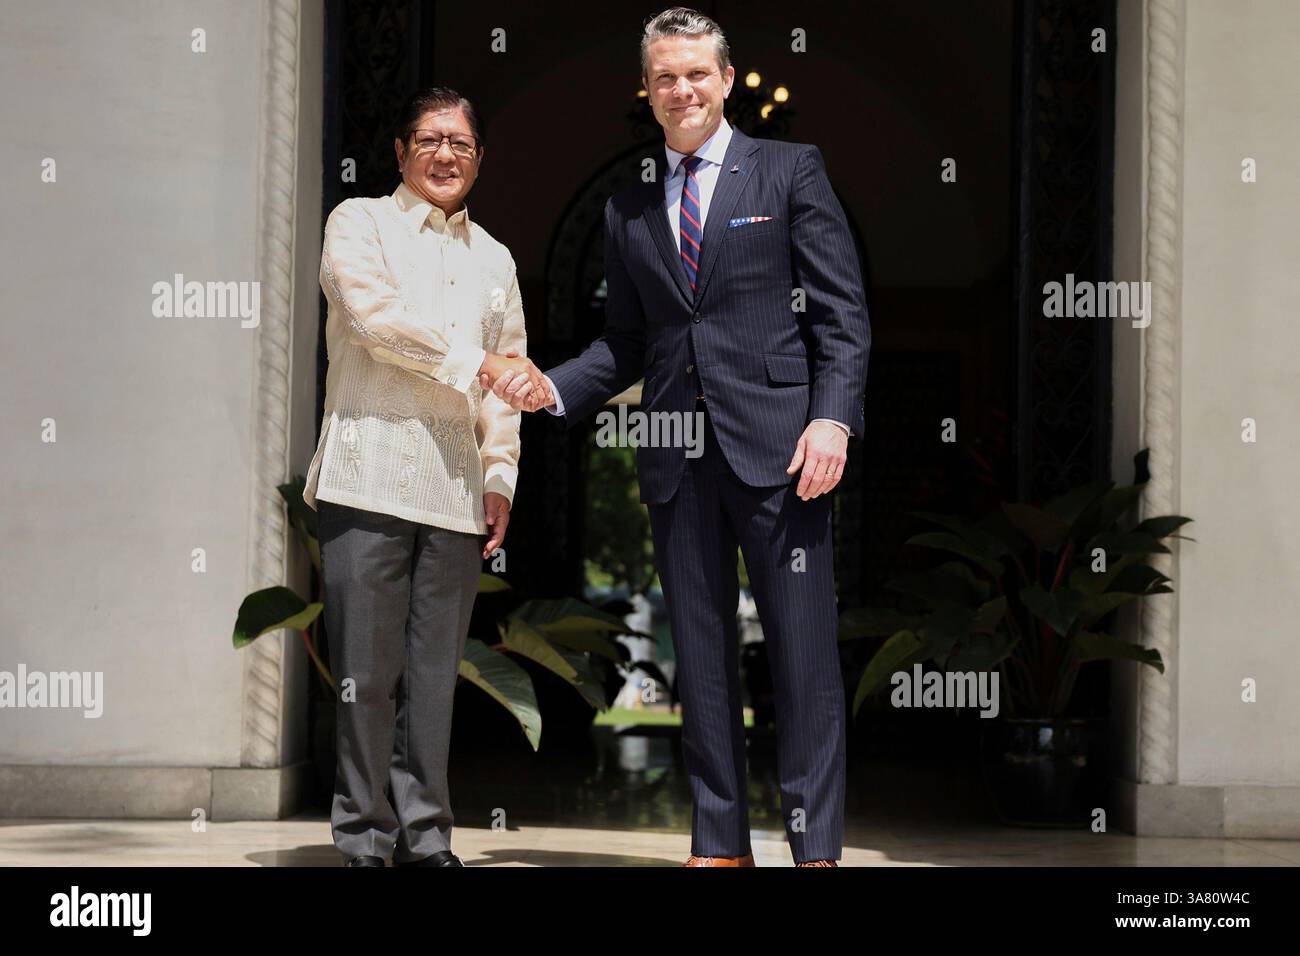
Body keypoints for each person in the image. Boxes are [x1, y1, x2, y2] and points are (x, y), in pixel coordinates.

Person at [485, 8, 870, 867]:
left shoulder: (789, 172)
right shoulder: (628, 210)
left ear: (727, 79)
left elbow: (842, 316)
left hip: (785, 451)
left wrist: (831, 418)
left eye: (697, 73)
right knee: (698, 658)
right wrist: (551, 385)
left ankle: (815, 851)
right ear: (648, 90)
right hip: (675, 456)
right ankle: (719, 844)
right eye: (665, 77)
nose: (682, 89)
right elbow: (625, 343)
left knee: (803, 660)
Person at [303, 85, 549, 867]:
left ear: (480, 160)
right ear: (402, 151)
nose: (447, 154)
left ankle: (427, 835)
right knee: (366, 679)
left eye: (463, 144)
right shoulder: (358, 223)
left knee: (434, 681)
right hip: (366, 480)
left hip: (452, 492)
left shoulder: (497, 260)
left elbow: (505, 387)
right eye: (431, 139)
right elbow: (376, 322)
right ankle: (364, 836)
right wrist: (478, 363)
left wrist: (501, 477)